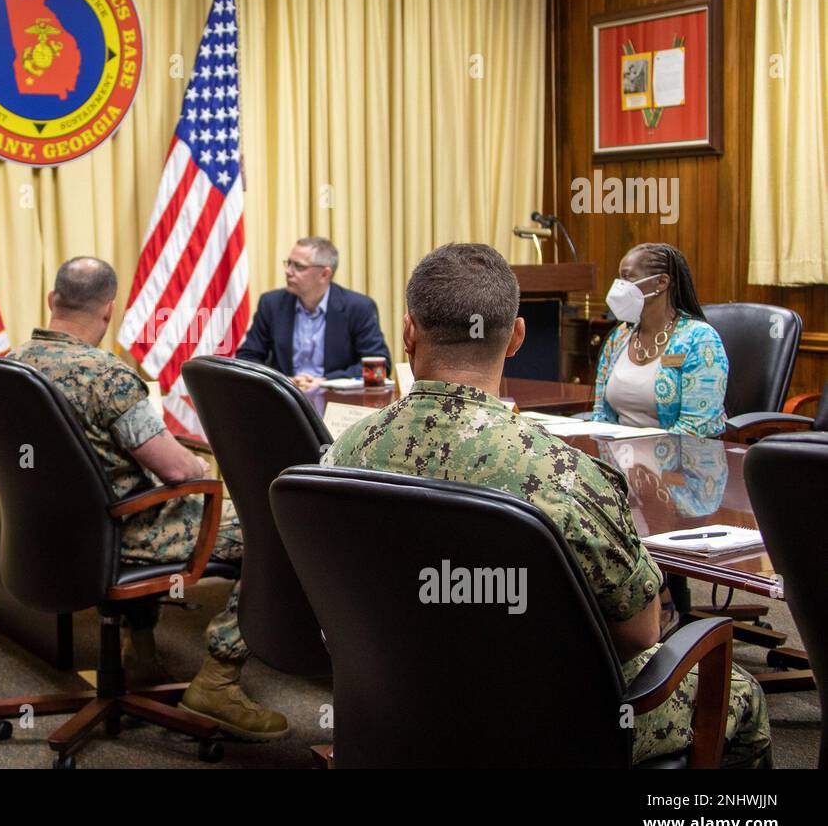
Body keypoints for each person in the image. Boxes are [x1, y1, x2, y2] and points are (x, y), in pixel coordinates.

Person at [322, 243, 770, 767]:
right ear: (516, 337)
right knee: (742, 696)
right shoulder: (566, 477)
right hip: (540, 726)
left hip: (389, 704)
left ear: (408, 331)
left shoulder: (340, 454)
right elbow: (640, 632)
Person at [8, 256, 289, 740]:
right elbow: (177, 469)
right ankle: (218, 680)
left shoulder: (13, 365)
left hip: (52, 536)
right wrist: (203, 469)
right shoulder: (108, 377)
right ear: (110, 309)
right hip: (126, 534)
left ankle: (139, 656)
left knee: (147, 494)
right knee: (277, 532)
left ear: (52, 300)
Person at [591, 243, 729, 437]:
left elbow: (697, 427)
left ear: (661, 282)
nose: (619, 286)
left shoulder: (700, 340)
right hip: (616, 459)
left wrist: (644, 457)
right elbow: (600, 415)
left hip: (678, 461)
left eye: (627, 277)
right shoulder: (619, 337)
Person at [235, 236, 390, 390]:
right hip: (285, 398)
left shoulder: (358, 307)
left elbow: (379, 366)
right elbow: (247, 356)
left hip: (337, 401)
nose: (288, 271)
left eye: (298, 266)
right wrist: (282, 381)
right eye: (288, 263)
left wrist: (325, 381)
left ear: (325, 274)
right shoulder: (271, 304)